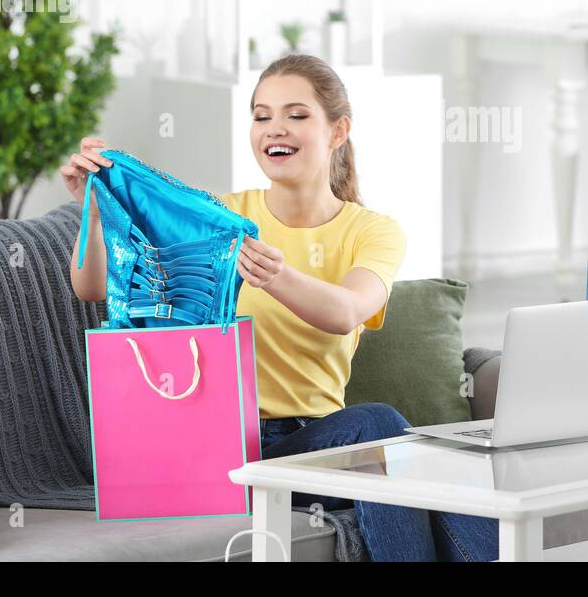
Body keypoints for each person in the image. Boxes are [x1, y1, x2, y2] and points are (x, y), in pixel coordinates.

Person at [65, 53, 498, 561]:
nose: (275, 128)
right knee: (383, 431)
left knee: (423, 458)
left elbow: (346, 310)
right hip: (226, 448)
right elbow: (94, 288)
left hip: (318, 445)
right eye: (261, 114)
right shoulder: (222, 216)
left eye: (296, 115)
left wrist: (277, 275)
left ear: (338, 131)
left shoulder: (372, 231)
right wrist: (96, 210)